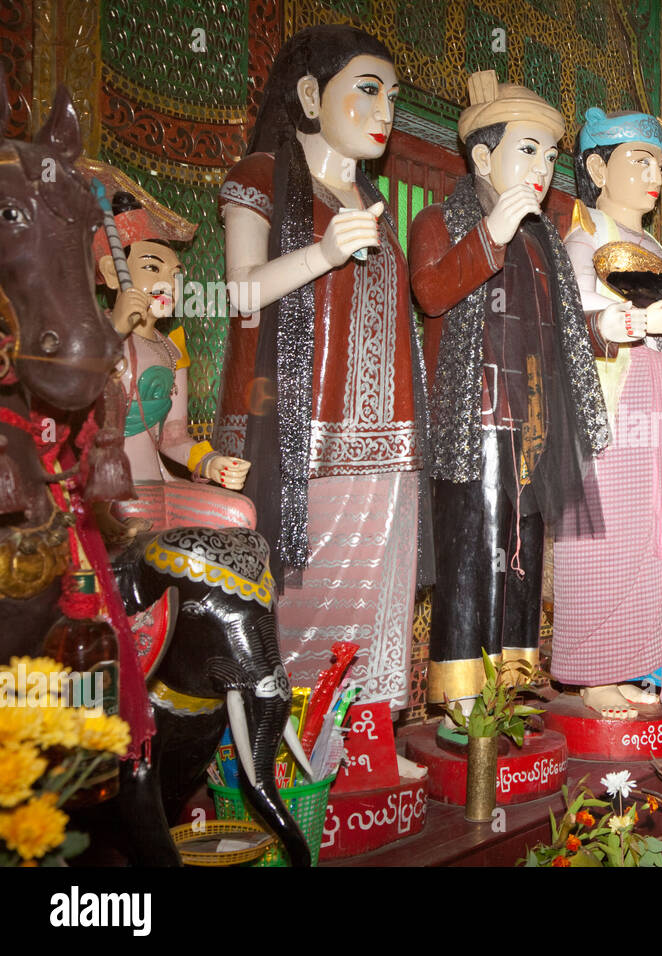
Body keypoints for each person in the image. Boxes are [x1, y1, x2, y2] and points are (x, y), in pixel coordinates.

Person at [213, 25, 434, 708]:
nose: (384, 112)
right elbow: (240, 290)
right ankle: (294, 744)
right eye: (366, 91)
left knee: (378, 596)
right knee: (301, 604)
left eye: (392, 97)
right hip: (297, 438)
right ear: (310, 93)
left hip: (385, 440)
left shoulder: (373, 205)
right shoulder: (258, 179)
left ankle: (365, 729)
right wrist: (322, 253)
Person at [409, 75, 610, 712]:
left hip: (536, 420)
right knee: (473, 548)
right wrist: (489, 234)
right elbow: (432, 292)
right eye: (528, 151)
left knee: (523, 554)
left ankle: (516, 683)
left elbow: (570, 335)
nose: (543, 169)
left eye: (552, 157)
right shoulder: (439, 221)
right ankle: (464, 688)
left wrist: (614, 329)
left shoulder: (545, 239)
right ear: (481, 156)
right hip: (471, 419)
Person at [551, 107, 662, 719]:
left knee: (660, 529)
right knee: (607, 530)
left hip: (661, 390)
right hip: (612, 400)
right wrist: (644, 323)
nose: (654, 175)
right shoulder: (582, 241)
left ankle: (645, 656)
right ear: (595, 167)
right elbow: (577, 322)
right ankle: (594, 672)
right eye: (638, 161)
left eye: (659, 164)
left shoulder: (653, 245)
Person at [93, 190, 252, 539]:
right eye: (151, 267)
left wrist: (211, 462)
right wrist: (116, 330)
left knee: (240, 513)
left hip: (160, 482)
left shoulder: (170, 348)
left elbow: (172, 435)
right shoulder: (91, 335)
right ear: (111, 270)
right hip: (111, 490)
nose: (168, 282)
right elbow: (71, 399)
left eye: (176, 274)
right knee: (141, 534)